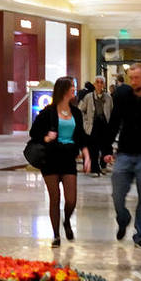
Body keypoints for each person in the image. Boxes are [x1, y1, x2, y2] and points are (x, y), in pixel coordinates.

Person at [28, 76, 90, 247]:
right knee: (54, 198)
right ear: (63, 90)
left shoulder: (75, 112)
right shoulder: (48, 112)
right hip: (51, 158)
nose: (75, 90)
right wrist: (46, 137)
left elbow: (81, 135)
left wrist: (86, 154)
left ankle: (67, 220)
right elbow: (34, 132)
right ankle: (56, 235)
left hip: (69, 157)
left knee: (71, 200)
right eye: (72, 87)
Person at [104, 63, 141, 249]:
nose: (134, 81)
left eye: (137, 78)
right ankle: (123, 217)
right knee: (117, 194)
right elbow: (114, 122)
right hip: (125, 153)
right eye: (131, 78)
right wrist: (106, 149)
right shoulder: (123, 97)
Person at [78, 76, 113, 176]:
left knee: (105, 146)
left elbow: (111, 110)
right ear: (94, 84)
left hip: (104, 125)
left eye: (101, 82)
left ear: (104, 84)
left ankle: (103, 165)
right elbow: (81, 110)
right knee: (93, 148)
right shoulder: (88, 97)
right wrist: (85, 121)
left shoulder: (108, 97)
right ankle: (94, 169)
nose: (99, 84)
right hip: (93, 125)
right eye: (97, 82)